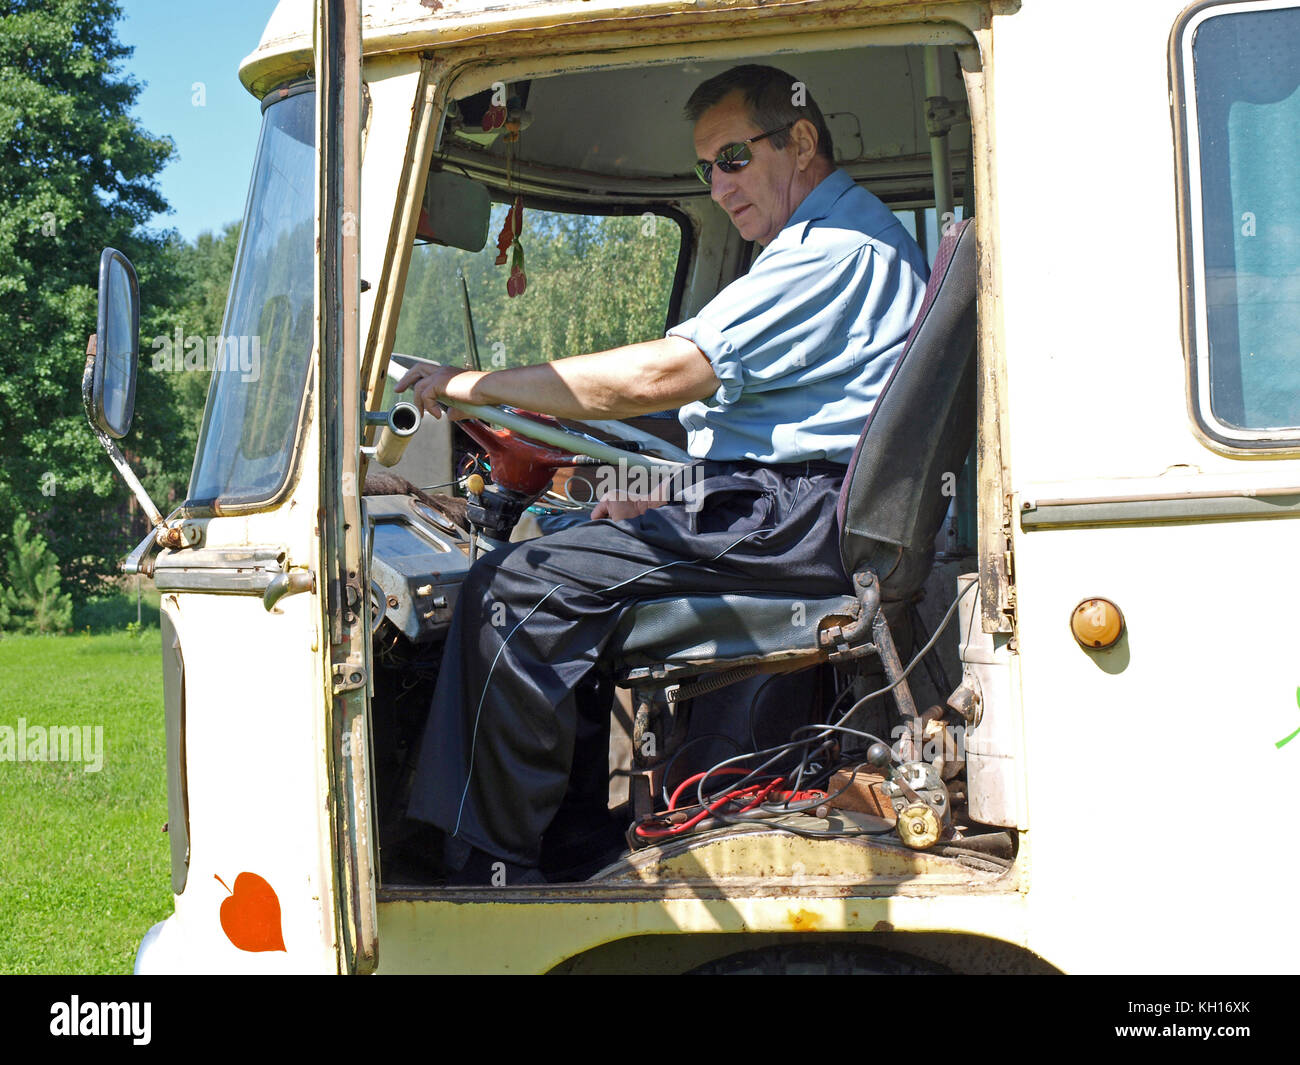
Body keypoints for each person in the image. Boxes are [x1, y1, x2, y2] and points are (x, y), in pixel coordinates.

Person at [398, 64, 929, 883]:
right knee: (569, 545)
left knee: (511, 589)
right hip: (783, 502)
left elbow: (661, 377)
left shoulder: (829, 252)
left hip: (794, 512)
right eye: (704, 168)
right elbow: (732, 421)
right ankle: (571, 837)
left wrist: (477, 384)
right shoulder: (833, 240)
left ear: (800, 142)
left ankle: (492, 866)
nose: (718, 186)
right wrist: (654, 490)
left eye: (732, 159)